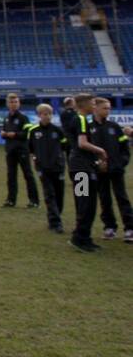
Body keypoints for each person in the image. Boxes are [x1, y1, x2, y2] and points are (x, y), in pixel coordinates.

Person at [66, 93, 106, 253]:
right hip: (80, 169)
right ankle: (79, 238)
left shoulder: (81, 120)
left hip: (82, 167)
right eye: (93, 103)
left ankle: (84, 237)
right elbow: (82, 143)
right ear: (84, 105)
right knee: (85, 204)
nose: (95, 106)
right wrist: (101, 151)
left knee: (87, 203)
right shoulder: (81, 119)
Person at [90, 97, 132, 243]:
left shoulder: (114, 127)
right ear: (95, 108)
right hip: (99, 172)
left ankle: (129, 229)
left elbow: (125, 149)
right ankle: (109, 227)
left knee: (122, 199)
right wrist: (96, 164)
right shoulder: (89, 129)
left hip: (116, 170)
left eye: (109, 108)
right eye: (105, 108)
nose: (108, 111)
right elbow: (86, 152)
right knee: (104, 199)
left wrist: (121, 163)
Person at [26, 103, 67, 234]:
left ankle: (56, 216)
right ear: (39, 115)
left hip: (58, 167)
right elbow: (30, 149)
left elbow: (66, 147)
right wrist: (35, 160)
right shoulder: (33, 131)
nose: (47, 116)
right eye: (44, 114)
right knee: (49, 195)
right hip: (43, 168)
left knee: (59, 195)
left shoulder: (58, 130)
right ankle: (55, 223)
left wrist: (61, 160)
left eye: (49, 114)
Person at [0, 92, 39, 208]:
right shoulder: (6, 119)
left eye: (16, 102)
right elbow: (3, 132)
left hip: (22, 150)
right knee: (11, 176)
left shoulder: (23, 118)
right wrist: (4, 134)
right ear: (7, 104)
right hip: (10, 151)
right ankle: (11, 200)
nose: (13, 104)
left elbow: (27, 133)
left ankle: (34, 201)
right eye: (11, 102)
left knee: (28, 175)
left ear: (19, 103)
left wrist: (14, 134)